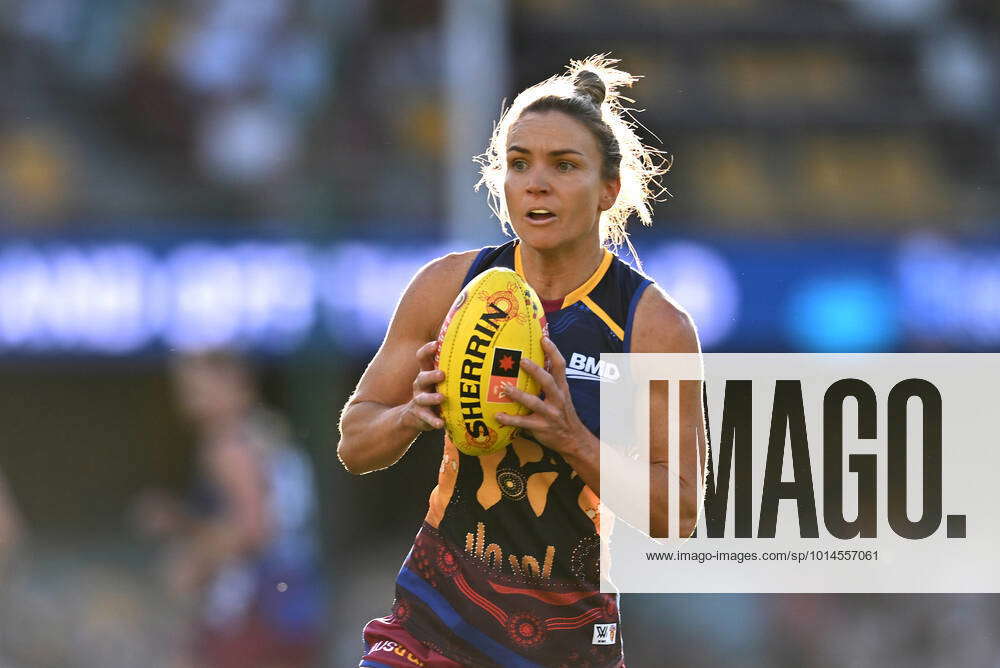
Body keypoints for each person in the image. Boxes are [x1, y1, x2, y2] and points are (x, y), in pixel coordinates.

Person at [338, 56, 706, 668]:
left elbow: (679, 514)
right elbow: (354, 442)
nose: (536, 183)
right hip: (434, 619)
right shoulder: (447, 287)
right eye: (518, 163)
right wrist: (410, 414)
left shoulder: (653, 326)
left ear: (609, 189)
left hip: (566, 640)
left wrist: (572, 438)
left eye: (564, 165)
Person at [135, 351, 326, 668]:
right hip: (292, 595)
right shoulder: (265, 435)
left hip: (256, 603)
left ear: (235, 385)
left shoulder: (229, 446)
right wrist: (181, 519)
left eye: (200, 389)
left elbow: (255, 528)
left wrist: (195, 559)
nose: (191, 400)